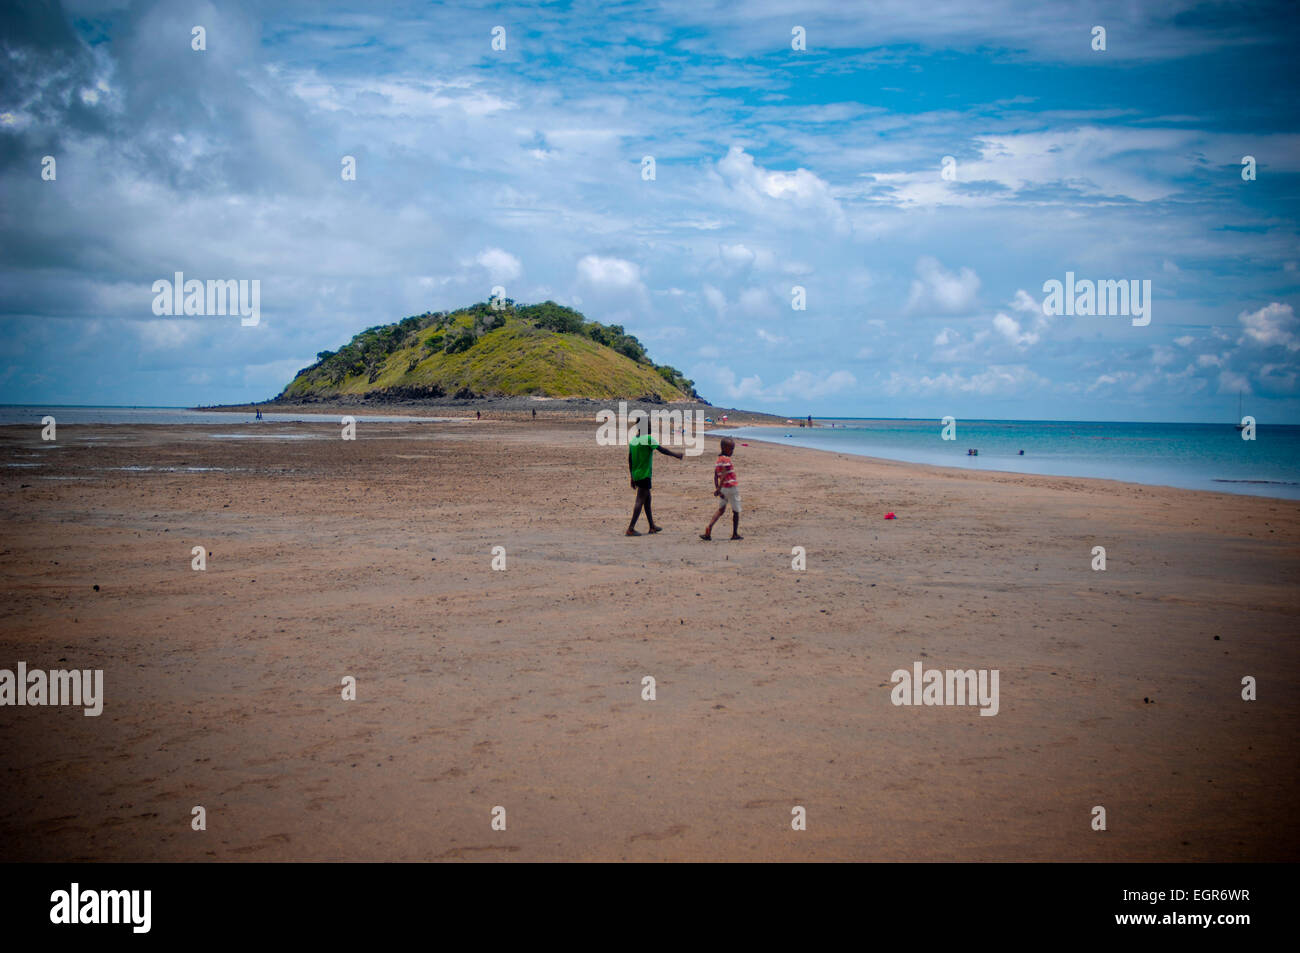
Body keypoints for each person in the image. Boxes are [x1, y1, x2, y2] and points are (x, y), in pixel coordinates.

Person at [626, 416, 683, 536]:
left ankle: (652, 526)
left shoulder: (633, 441)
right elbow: (662, 450)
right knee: (640, 500)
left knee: (647, 499)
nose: (651, 427)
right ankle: (631, 528)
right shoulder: (647, 439)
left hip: (636, 474)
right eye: (649, 425)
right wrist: (676, 455)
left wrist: (631, 477)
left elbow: (630, 460)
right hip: (644, 474)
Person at [700, 436, 742, 541]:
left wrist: (718, 488)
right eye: (731, 449)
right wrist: (718, 488)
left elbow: (716, 476)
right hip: (731, 488)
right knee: (736, 511)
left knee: (720, 510)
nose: (732, 451)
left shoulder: (718, 460)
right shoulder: (726, 460)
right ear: (724, 448)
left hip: (723, 489)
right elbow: (724, 474)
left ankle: (709, 528)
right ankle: (735, 534)